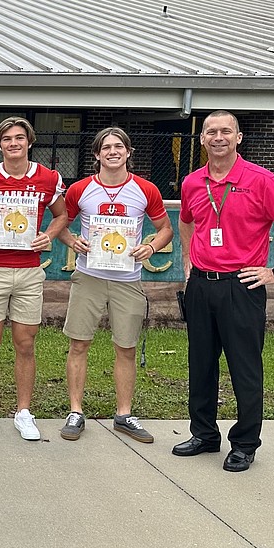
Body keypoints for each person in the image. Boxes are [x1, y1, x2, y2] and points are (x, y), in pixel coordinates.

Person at [175, 110, 274, 472]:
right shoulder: (192, 182)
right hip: (200, 285)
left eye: (226, 131)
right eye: (211, 131)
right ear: (202, 139)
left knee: (245, 369)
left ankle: (245, 443)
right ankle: (204, 435)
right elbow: (186, 220)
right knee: (200, 365)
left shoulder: (261, 180)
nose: (218, 137)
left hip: (241, 286)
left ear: (238, 138)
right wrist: (188, 261)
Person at [57, 127, 173, 443]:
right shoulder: (80, 189)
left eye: (118, 146)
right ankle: (75, 411)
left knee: (126, 347)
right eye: (106, 147)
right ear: (97, 154)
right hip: (89, 276)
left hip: (127, 279)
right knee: (79, 343)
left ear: (128, 152)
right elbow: (60, 224)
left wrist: (151, 247)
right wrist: (72, 241)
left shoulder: (145, 189)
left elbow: (165, 228)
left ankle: (124, 414)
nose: (112, 152)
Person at [0, 116, 67, 440]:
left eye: (19, 138)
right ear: (0, 145)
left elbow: (61, 214)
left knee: (25, 343)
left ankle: (23, 412)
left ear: (29, 142)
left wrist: (49, 235)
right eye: (7, 139)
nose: (14, 144)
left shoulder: (48, 178)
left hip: (29, 271)